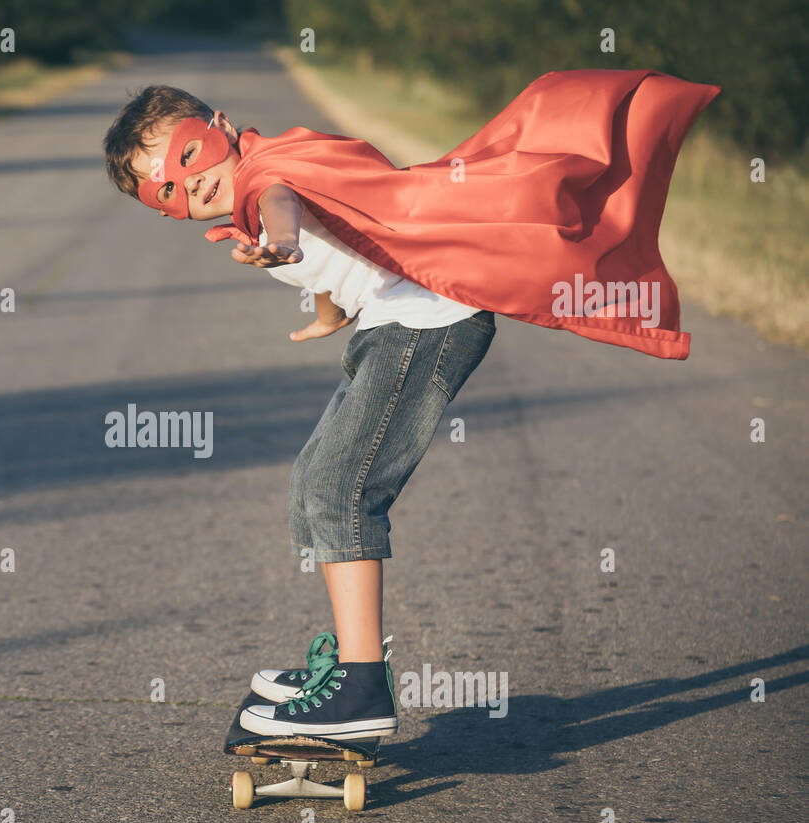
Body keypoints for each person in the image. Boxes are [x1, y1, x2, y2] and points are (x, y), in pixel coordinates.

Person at [102, 70, 718, 740]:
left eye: (187, 156)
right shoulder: (278, 157)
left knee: (342, 488)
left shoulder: (261, 182)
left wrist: (278, 241)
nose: (188, 184)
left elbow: (283, 205)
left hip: (424, 324)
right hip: (396, 323)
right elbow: (333, 226)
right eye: (165, 191)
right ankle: (344, 663)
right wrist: (328, 308)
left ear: (218, 125)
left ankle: (361, 688)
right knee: (311, 484)